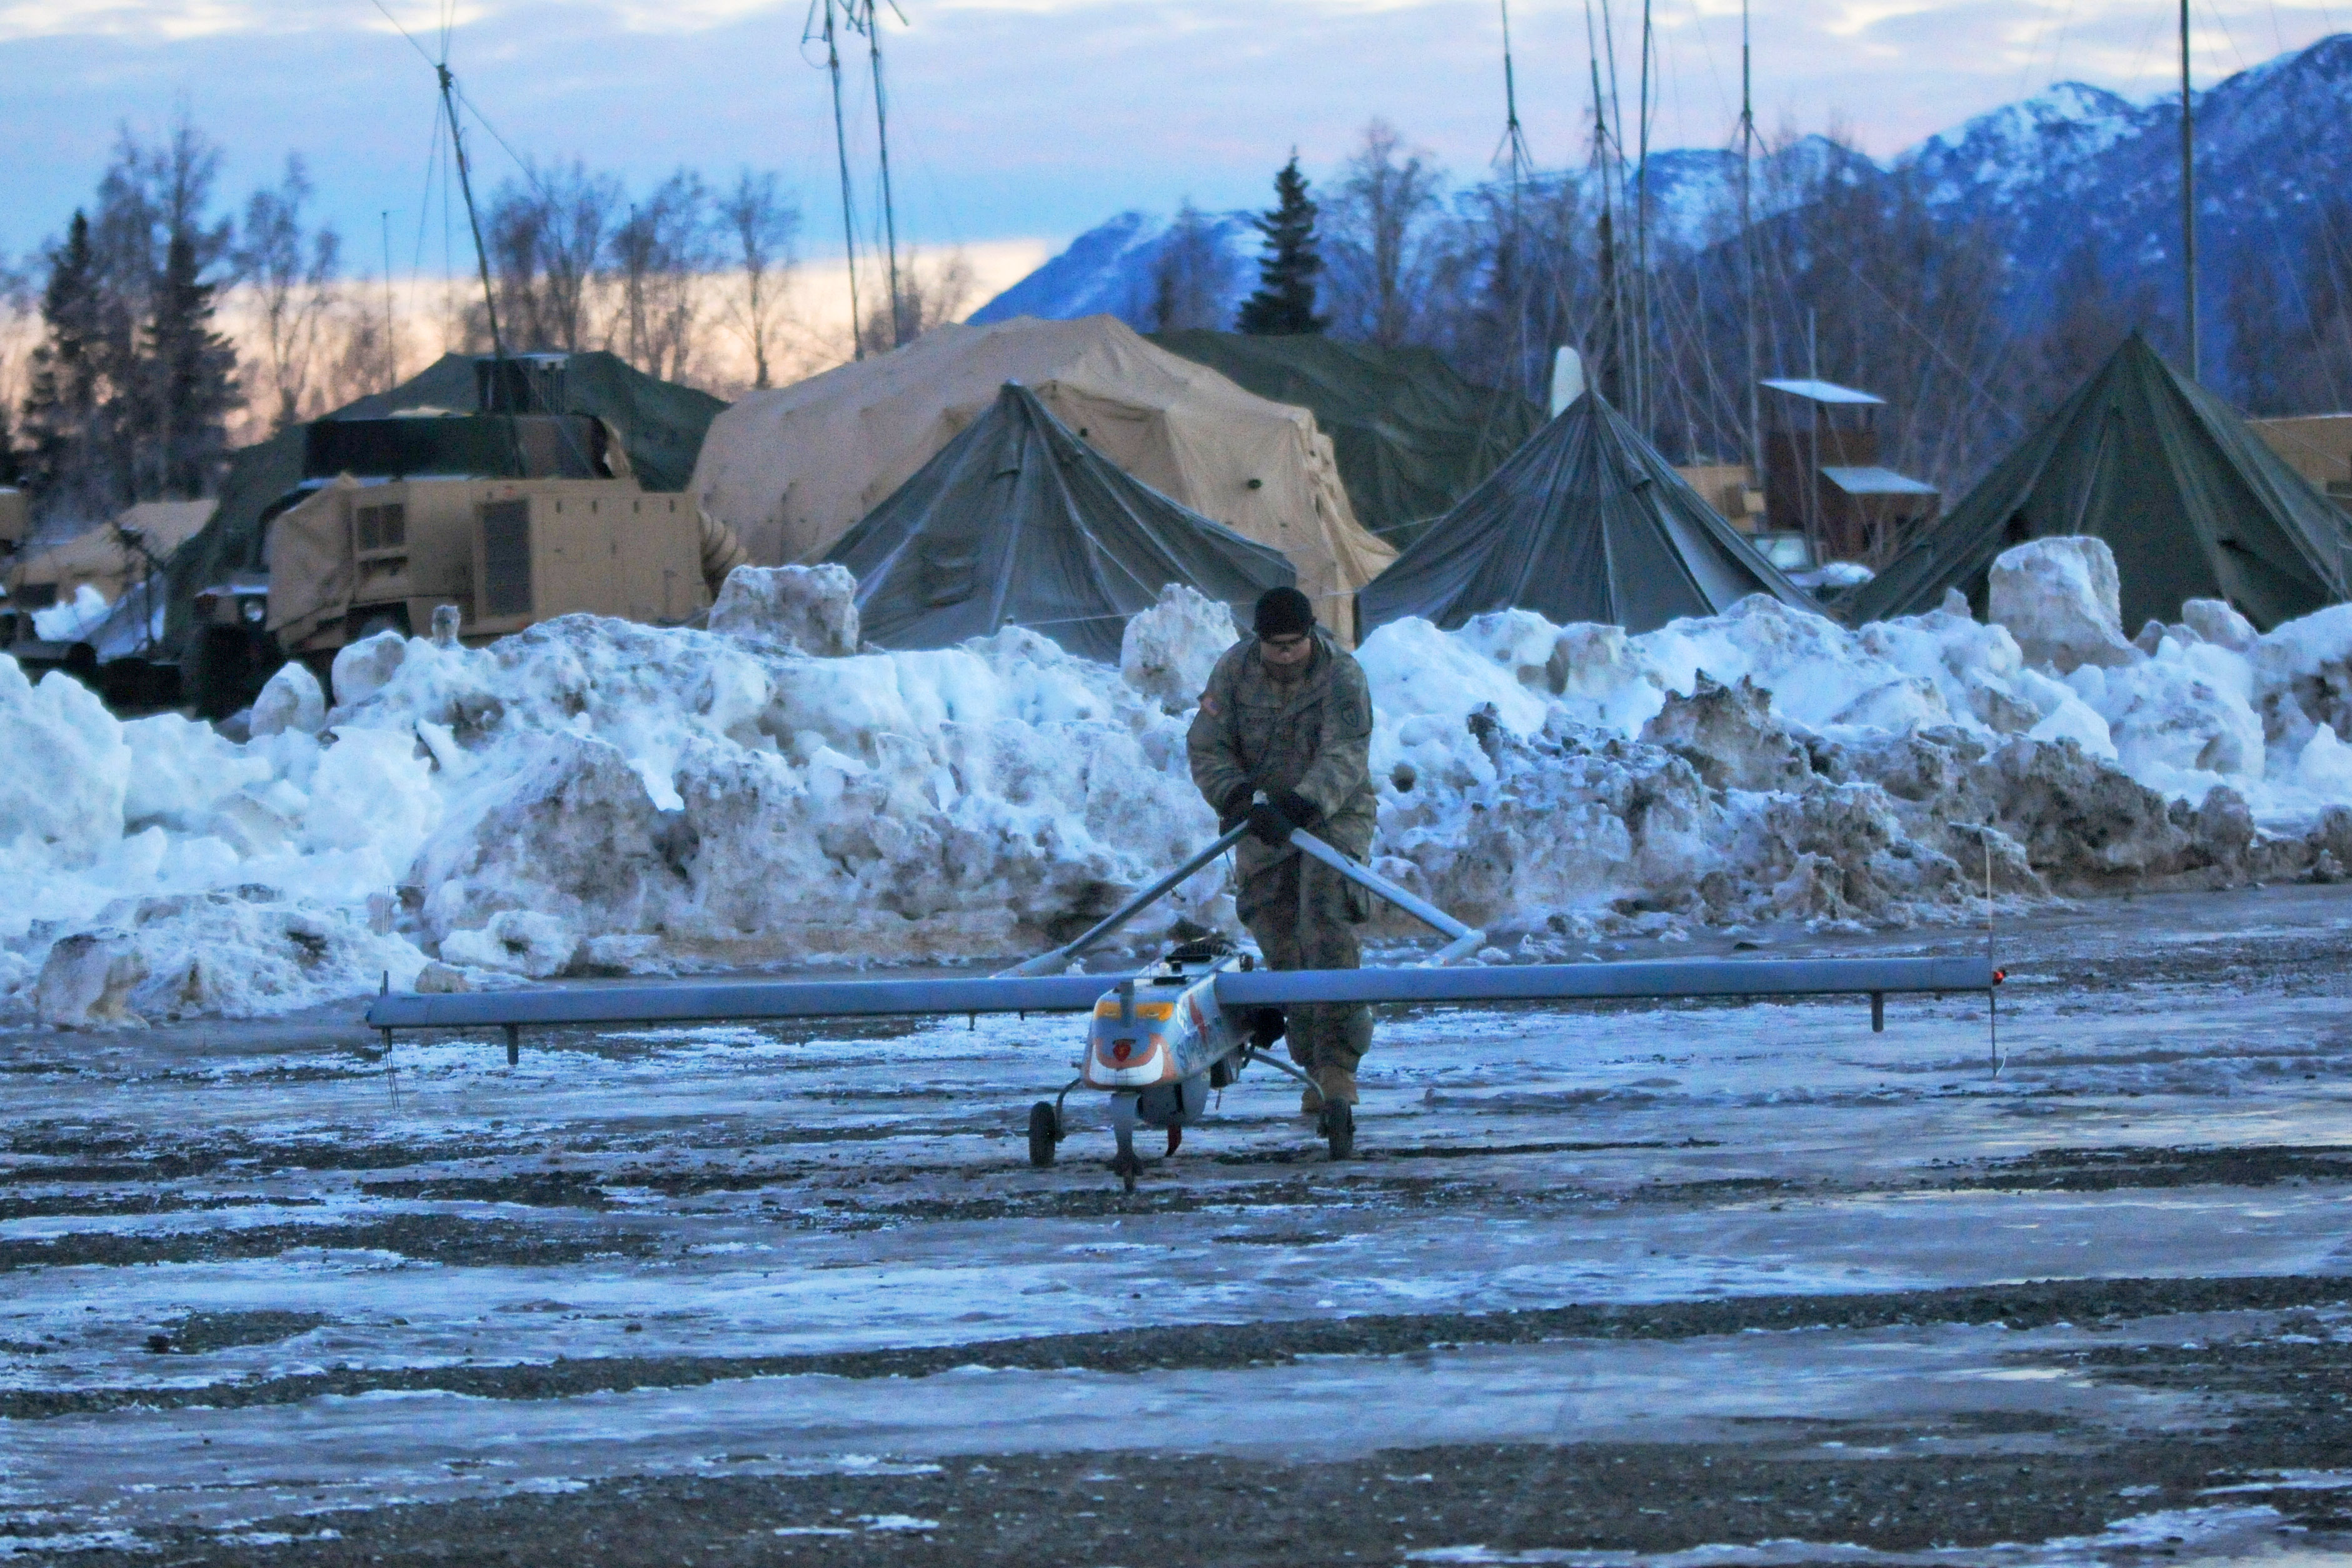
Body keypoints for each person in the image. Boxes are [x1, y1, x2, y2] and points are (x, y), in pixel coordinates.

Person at [1187, 585, 1378, 1117]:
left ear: (1312, 633)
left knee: (1325, 925)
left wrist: (1301, 805)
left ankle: (1337, 1067)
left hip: (1332, 816)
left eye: (1296, 643)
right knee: (1281, 938)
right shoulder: (1232, 672)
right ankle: (1310, 1065)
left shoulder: (1343, 675)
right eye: (1276, 645)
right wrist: (1234, 796)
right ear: (1260, 641)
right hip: (1261, 819)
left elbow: (1346, 754)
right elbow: (1207, 745)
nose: (1286, 654)